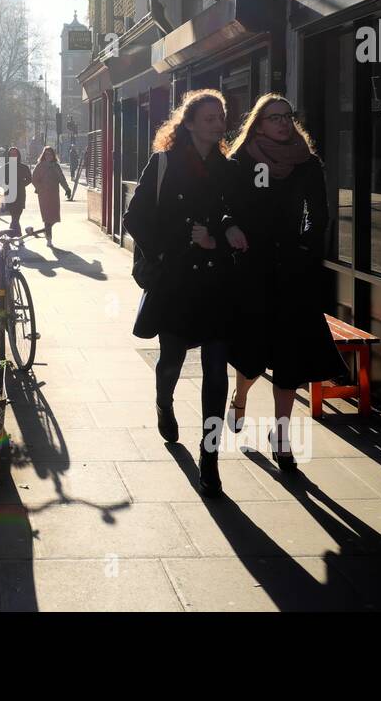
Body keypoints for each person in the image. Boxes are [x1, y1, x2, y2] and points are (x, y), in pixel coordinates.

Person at [123, 89, 248, 498]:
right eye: (209, 117)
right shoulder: (163, 164)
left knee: (216, 372)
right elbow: (134, 218)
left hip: (216, 286)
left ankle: (209, 457)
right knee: (171, 361)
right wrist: (170, 247)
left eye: (221, 117)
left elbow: (238, 217)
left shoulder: (228, 170)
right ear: (189, 122)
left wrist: (222, 235)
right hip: (176, 281)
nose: (217, 123)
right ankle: (164, 402)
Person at [225, 94, 346, 475]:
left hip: (292, 270)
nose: (282, 123)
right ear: (258, 123)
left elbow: (319, 212)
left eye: (287, 117)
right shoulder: (241, 161)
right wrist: (231, 226)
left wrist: (306, 246)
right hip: (253, 267)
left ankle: (281, 437)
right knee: (253, 353)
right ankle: (241, 395)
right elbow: (223, 205)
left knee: (290, 357)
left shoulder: (306, 164)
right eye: (273, 117)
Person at [31, 145, 72, 244]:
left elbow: (61, 179)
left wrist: (67, 189)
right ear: (44, 155)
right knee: (47, 217)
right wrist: (40, 188)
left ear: (53, 155)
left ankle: (46, 230)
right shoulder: (40, 166)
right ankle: (49, 238)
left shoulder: (56, 166)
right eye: (46, 154)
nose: (48, 155)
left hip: (54, 194)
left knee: (54, 217)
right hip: (44, 195)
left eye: (50, 154)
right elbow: (34, 179)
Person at [1, 146, 32, 236]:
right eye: (11, 154)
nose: (13, 155)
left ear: (18, 155)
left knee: (16, 216)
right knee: (14, 217)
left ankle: (13, 234)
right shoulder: (5, 167)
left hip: (20, 194)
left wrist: (22, 184)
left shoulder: (23, 167)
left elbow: (29, 179)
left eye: (15, 154)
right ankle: (17, 234)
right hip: (9, 194)